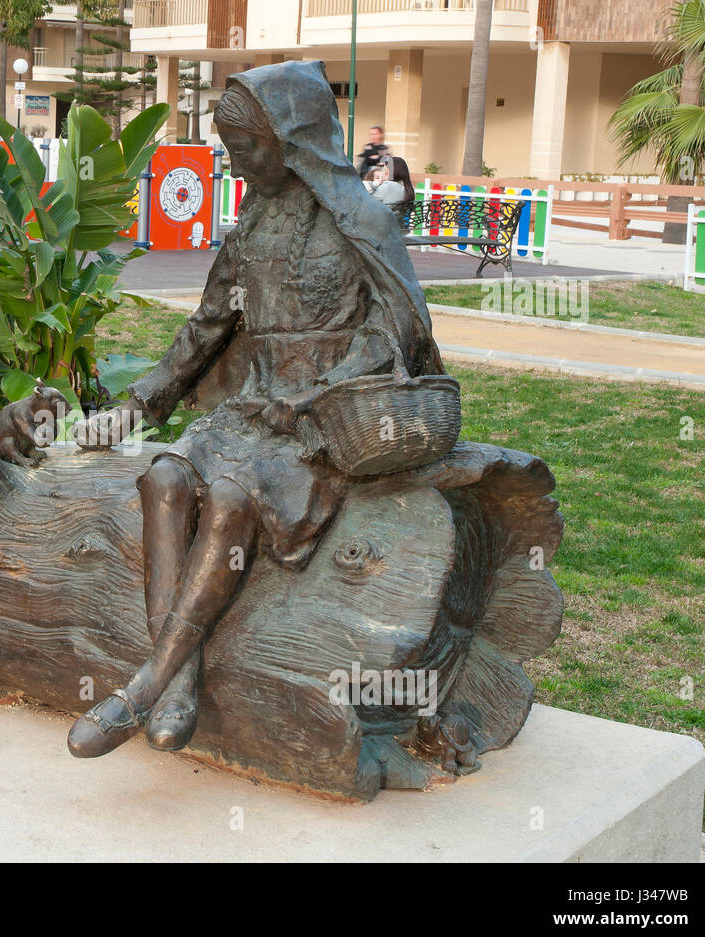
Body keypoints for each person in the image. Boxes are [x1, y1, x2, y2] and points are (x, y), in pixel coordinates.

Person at [68, 61, 444, 758]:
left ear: (296, 137)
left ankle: (146, 685)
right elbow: (206, 328)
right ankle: (179, 682)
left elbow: (400, 326)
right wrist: (137, 405)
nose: (238, 163)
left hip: (321, 422)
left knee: (236, 496)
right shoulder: (251, 225)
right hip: (250, 409)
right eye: (232, 149)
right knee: (165, 479)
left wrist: (322, 388)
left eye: (249, 148)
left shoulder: (360, 217)